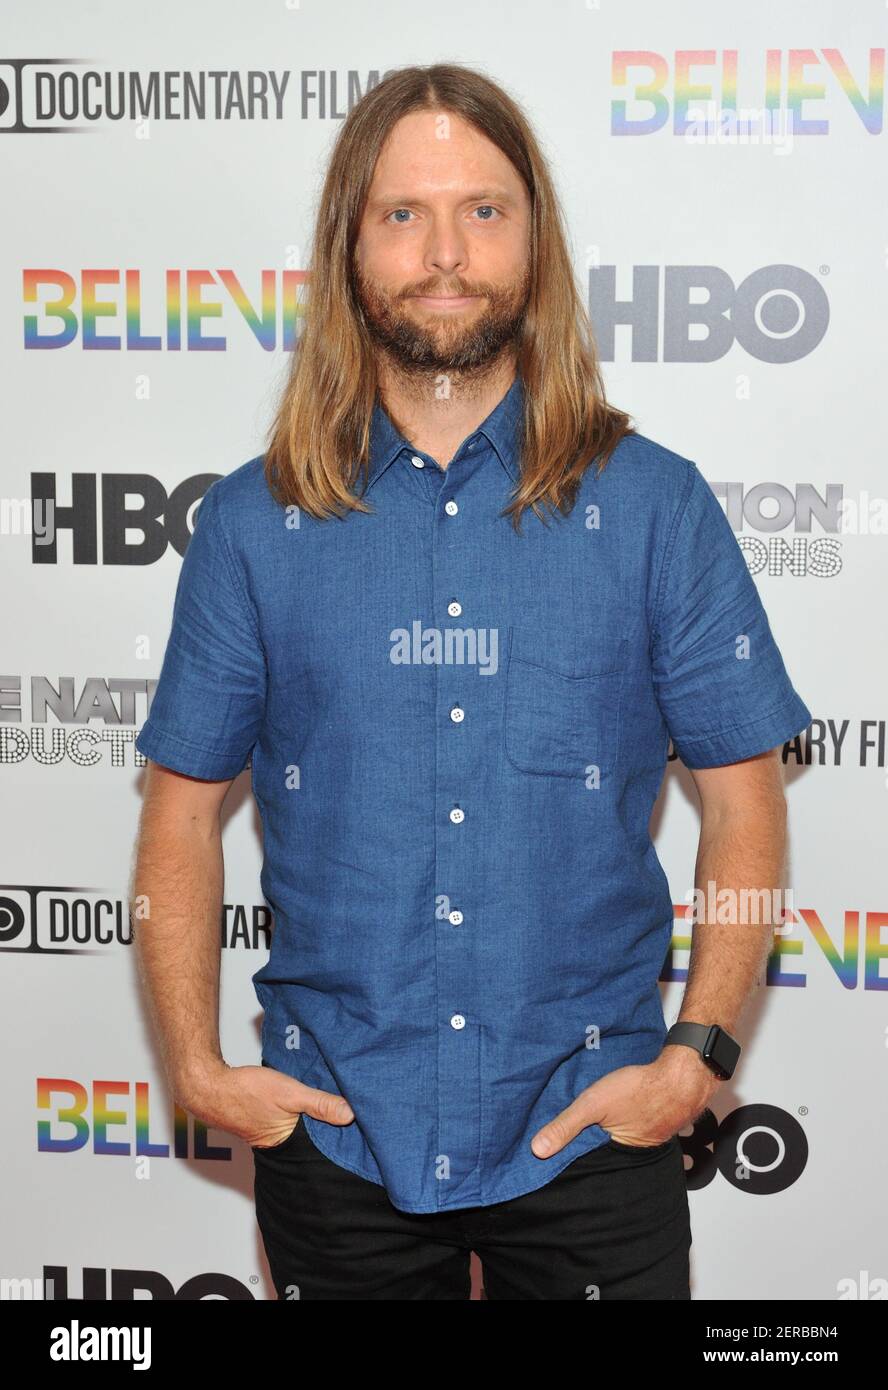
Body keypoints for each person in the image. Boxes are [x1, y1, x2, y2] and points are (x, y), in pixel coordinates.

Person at [131, 63, 811, 1300]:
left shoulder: (655, 507)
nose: (446, 252)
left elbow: (747, 806)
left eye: (483, 211)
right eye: (403, 215)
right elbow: (179, 820)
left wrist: (700, 1052)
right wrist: (194, 1062)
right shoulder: (251, 524)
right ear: (350, 247)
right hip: (335, 1133)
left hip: (597, 1125)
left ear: (536, 240)